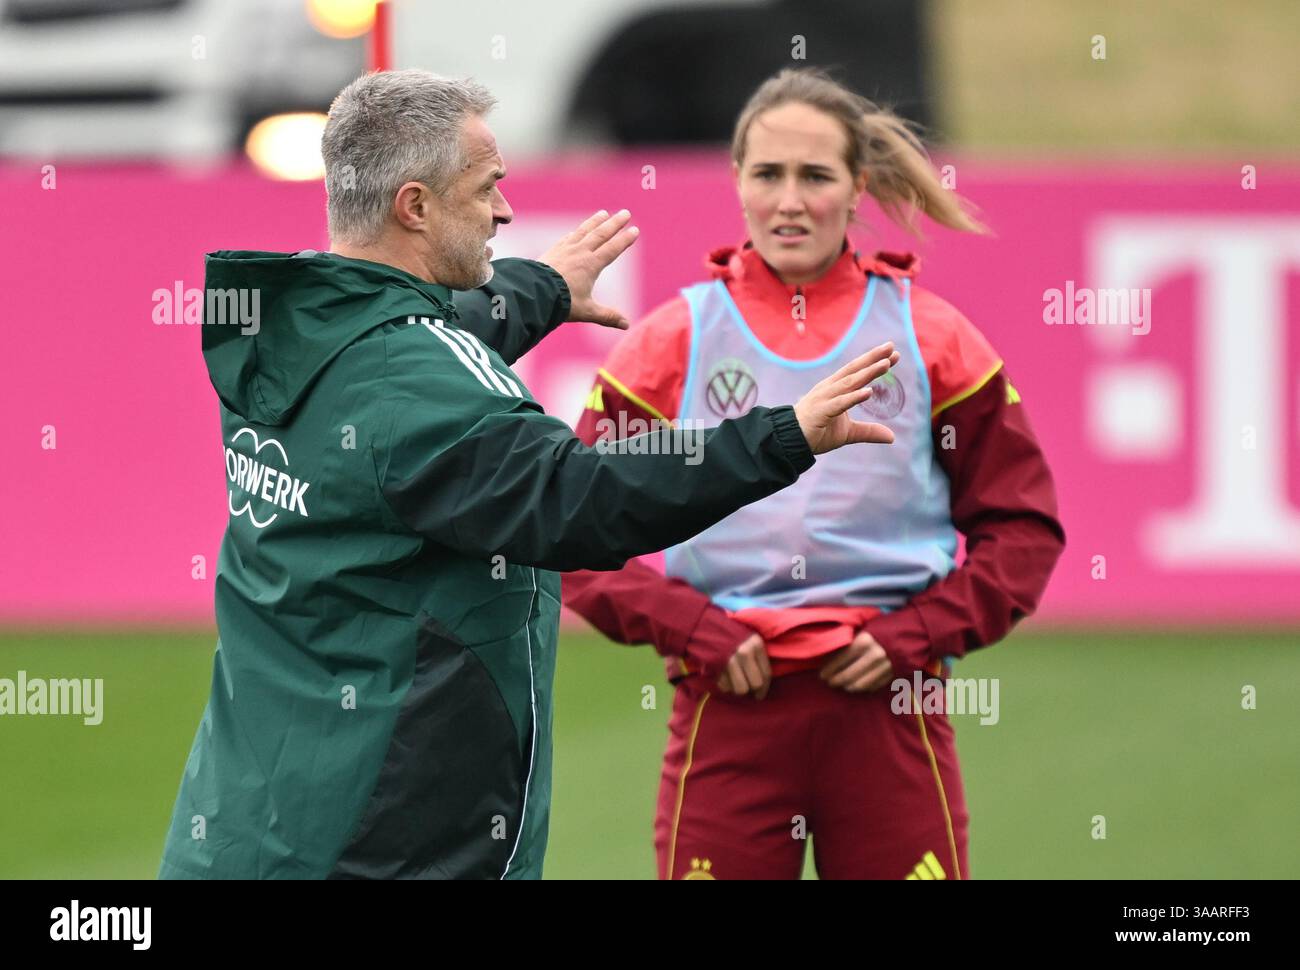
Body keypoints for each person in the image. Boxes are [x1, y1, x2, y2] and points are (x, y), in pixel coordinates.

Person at [157, 69, 902, 880]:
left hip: (244, 829)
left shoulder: (297, 325)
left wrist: (541, 289)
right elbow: (584, 499)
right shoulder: (413, 379)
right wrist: (782, 436)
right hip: (378, 850)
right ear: (415, 206)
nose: (505, 212)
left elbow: (414, 345)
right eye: (486, 190)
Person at [565, 67, 1066, 880]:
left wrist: (915, 638)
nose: (789, 200)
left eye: (815, 176)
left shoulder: (933, 336)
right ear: (737, 183)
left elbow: (1023, 531)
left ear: (858, 186)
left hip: (891, 706)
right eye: (768, 174)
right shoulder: (671, 341)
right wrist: (694, 632)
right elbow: (572, 527)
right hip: (728, 707)